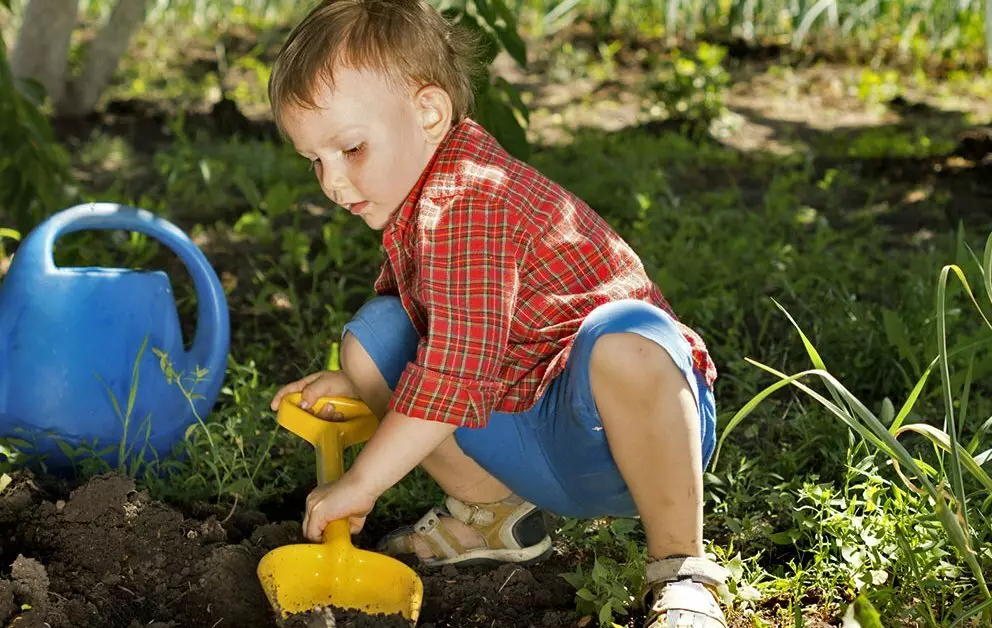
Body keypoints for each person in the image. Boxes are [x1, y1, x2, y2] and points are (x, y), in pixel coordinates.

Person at [264, 0, 730, 625]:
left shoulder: (473, 200)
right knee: (375, 335)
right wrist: (358, 381)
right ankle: (496, 516)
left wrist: (360, 484)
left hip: (623, 434)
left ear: (428, 112)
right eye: (315, 160)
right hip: (529, 422)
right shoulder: (419, 204)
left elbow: (455, 370)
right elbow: (446, 342)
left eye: (350, 148)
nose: (331, 180)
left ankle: (680, 571)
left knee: (628, 340)